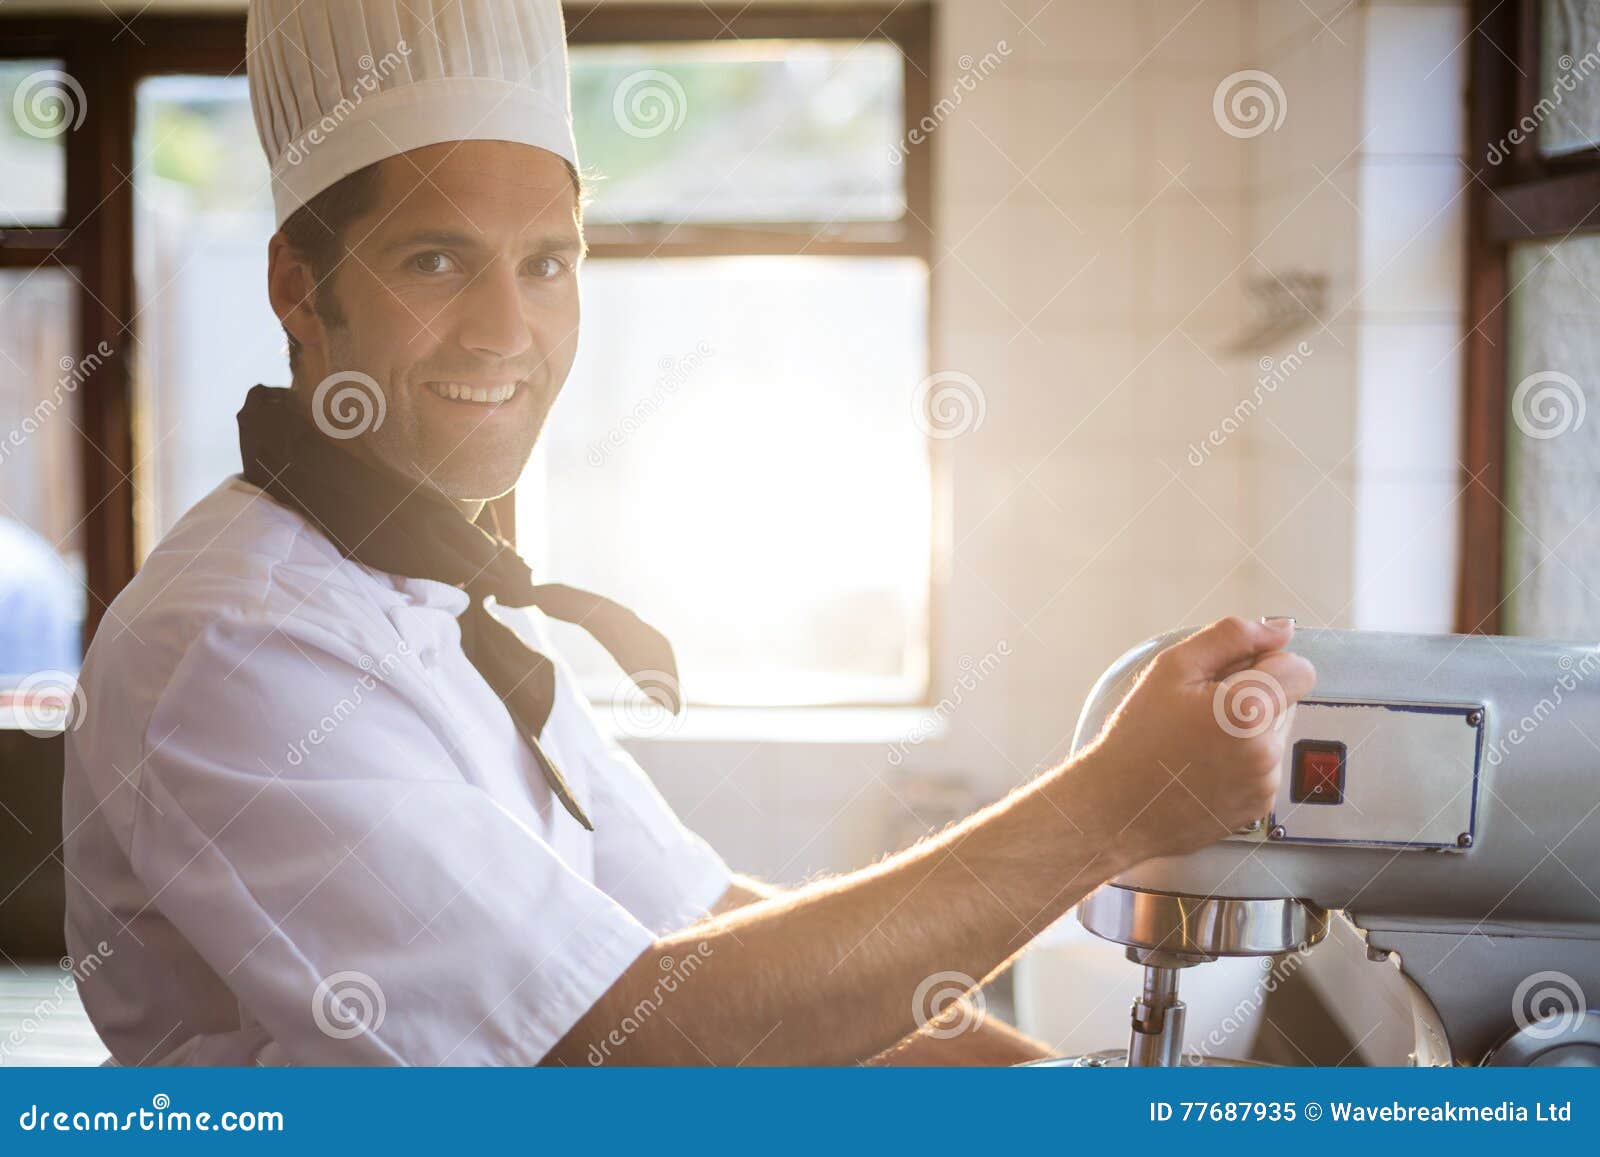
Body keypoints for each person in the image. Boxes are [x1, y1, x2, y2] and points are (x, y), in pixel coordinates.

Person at [62, 0, 1316, 1066]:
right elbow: (625, 1045)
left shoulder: (454, 610)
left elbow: (709, 924)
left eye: (548, 263)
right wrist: (1111, 805)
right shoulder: (232, 641)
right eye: (437, 260)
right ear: (298, 285)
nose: (508, 331)